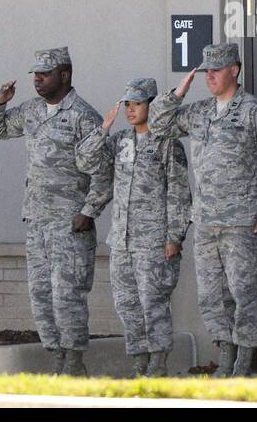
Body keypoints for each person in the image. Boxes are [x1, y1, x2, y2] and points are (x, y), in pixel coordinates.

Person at [148, 42, 257, 378]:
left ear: (235, 70)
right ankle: (224, 354)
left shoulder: (254, 111)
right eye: (205, 70)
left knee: (242, 291)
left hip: (242, 221)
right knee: (211, 294)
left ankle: (244, 358)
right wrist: (177, 92)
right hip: (207, 220)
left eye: (216, 70)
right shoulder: (199, 112)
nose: (208, 76)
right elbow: (158, 125)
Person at [0, 47, 111, 376]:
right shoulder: (32, 111)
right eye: (35, 74)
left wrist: (89, 211)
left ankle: (74, 362)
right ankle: (56, 358)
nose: (37, 79)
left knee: (67, 296)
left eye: (45, 73)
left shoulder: (84, 116)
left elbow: (105, 171)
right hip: (37, 221)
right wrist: (0, 102)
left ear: (64, 75)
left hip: (70, 224)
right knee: (41, 295)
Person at [76, 78, 191, 377]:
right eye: (127, 104)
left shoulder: (168, 143)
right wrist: (104, 128)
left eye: (137, 103)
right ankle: (139, 361)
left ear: (152, 105)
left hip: (154, 240)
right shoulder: (120, 142)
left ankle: (158, 363)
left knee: (153, 303)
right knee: (127, 304)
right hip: (122, 240)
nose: (130, 109)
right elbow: (86, 161)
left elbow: (179, 192)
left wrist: (174, 236)